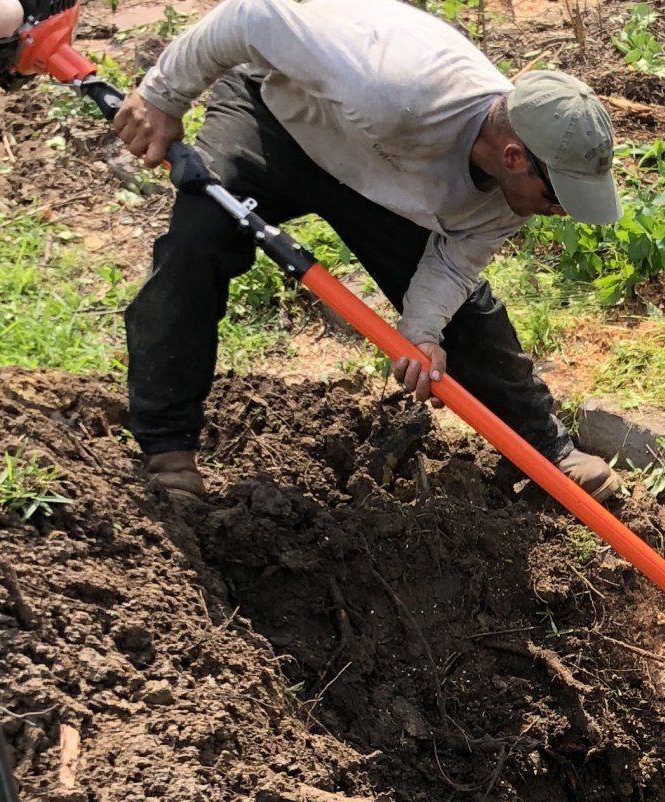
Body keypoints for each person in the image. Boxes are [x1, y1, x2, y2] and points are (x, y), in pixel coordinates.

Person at [111, 0, 621, 499]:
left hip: (377, 177)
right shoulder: (395, 85)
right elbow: (251, 16)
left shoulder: (510, 194)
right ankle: (167, 449)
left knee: (463, 316)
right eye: (557, 197)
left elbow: (454, 263)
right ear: (513, 157)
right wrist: (162, 95)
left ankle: (546, 449)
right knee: (194, 246)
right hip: (277, 119)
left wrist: (421, 335)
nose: (559, 212)